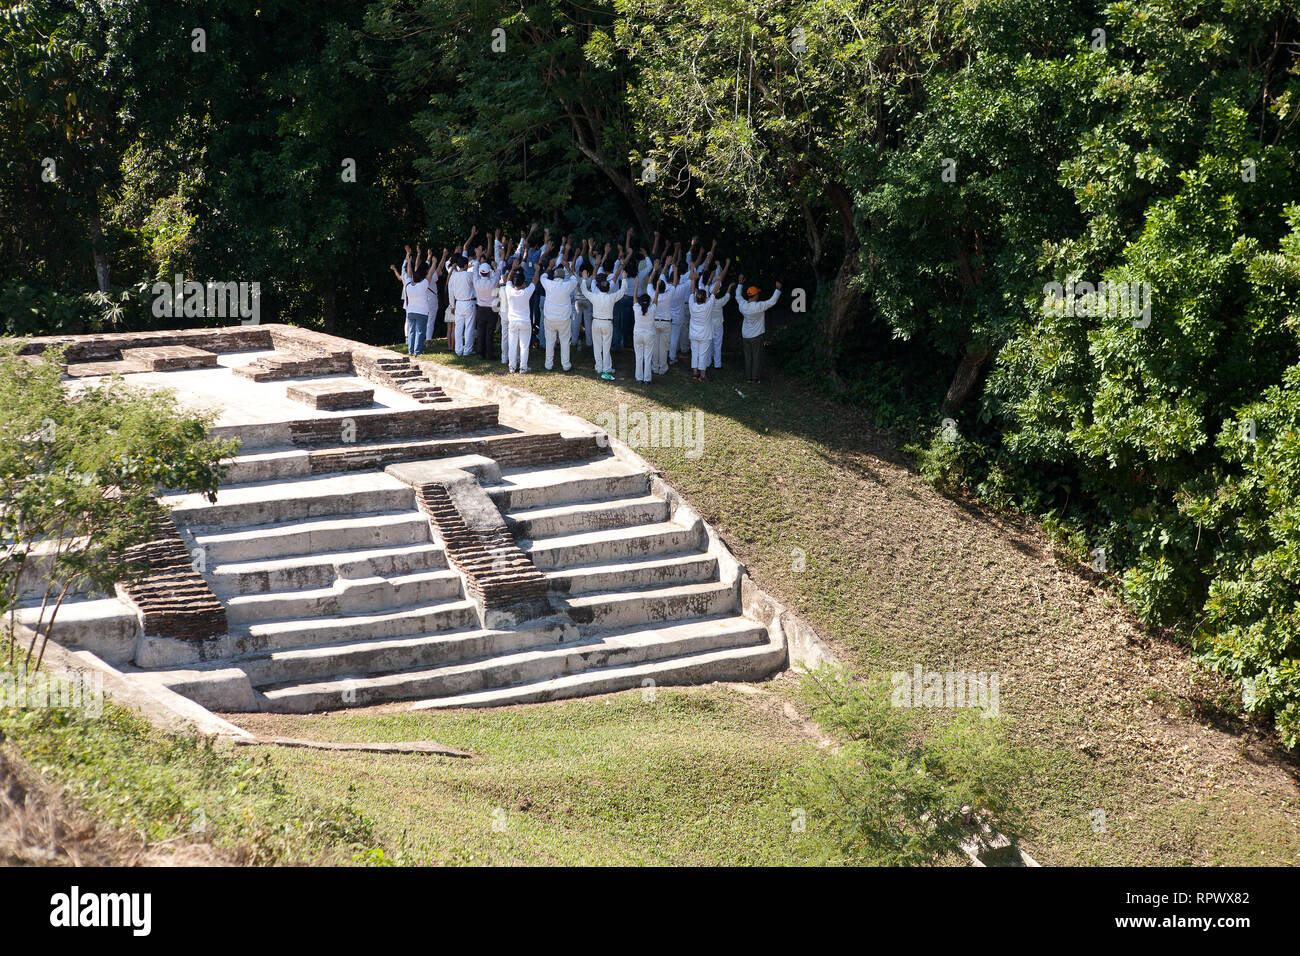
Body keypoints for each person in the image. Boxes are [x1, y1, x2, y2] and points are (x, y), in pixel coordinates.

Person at [583, 255, 631, 380]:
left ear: (598, 287)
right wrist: (624, 279)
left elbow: (584, 291)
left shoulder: (594, 295)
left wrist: (583, 279)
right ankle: (606, 368)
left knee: (597, 346)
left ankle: (599, 367)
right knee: (606, 346)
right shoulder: (611, 297)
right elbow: (622, 291)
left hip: (596, 322)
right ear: (608, 288)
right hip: (607, 323)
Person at [735, 276, 782, 384]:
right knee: (757, 357)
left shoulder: (742, 305)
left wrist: (740, 284)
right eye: (757, 294)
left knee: (748, 357)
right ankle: (755, 378)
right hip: (756, 336)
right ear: (755, 296)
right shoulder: (758, 306)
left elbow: (738, 296)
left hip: (745, 335)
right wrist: (778, 290)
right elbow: (771, 302)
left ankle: (748, 378)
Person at [540, 248, 579, 371]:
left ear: (555, 276)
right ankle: (566, 365)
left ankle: (548, 364)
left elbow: (543, 276)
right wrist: (568, 267)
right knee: (564, 342)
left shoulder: (548, 283)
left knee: (550, 342)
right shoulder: (567, 285)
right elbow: (575, 279)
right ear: (563, 277)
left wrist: (550, 266)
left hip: (550, 318)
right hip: (563, 319)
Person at [390, 244, 432, 356]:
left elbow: (408, 273)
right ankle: (417, 352)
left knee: (412, 331)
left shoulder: (407, 285)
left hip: (410, 310)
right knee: (420, 332)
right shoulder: (423, 285)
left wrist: (408, 260)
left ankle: (410, 350)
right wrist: (433, 262)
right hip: (421, 311)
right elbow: (429, 274)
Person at [687, 263, 722, 382]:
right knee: (703, 354)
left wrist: (694, 280)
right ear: (705, 298)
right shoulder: (708, 306)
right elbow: (714, 293)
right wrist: (718, 281)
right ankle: (702, 375)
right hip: (705, 334)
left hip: (693, 333)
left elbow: (692, 291)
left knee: (695, 352)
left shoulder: (692, 304)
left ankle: (695, 373)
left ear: (697, 298)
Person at [501, 260, 536, 373]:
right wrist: (537, 270)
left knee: (512, 344)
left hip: (513, 321)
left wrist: (513, 268)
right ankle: (523, 367)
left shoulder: (509, 290)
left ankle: (512, 367)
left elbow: (508, 280)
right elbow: (535, 282)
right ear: (523, 284)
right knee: (524, 346)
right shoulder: (526, 292)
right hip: (525, 321)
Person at [473, 253, 503, 360]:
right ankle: (490, 354)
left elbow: (475, 270)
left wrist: (477, 256)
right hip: (491, 309)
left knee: (481, 332)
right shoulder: (493, 282)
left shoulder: (476, 281)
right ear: (489, 272)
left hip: (480, 309)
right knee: (489, 332)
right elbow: (498, 272)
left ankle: (480, 353)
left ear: (481, 273)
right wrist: (497, 265)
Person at [709, 257, 734, 370]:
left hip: (709, 325)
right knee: (717, 344)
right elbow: (727, 296)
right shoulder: (719, 303)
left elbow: (713, 283)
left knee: (709, 344)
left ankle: (708, 362)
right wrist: (729, 287)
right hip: (718, 325)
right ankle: (717, 364)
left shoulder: (707, 301)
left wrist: (718, 267)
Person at [632, 285, 658, 384]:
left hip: (638, 334)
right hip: (649, 335)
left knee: (638, 357)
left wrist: (636, 285)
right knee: (648, 357)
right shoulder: (652, 309)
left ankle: (639, 378)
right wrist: (657, 287)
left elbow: (634, 298)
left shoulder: (636, 308)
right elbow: (656, 299)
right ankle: (647, 379)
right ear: (649, 302)